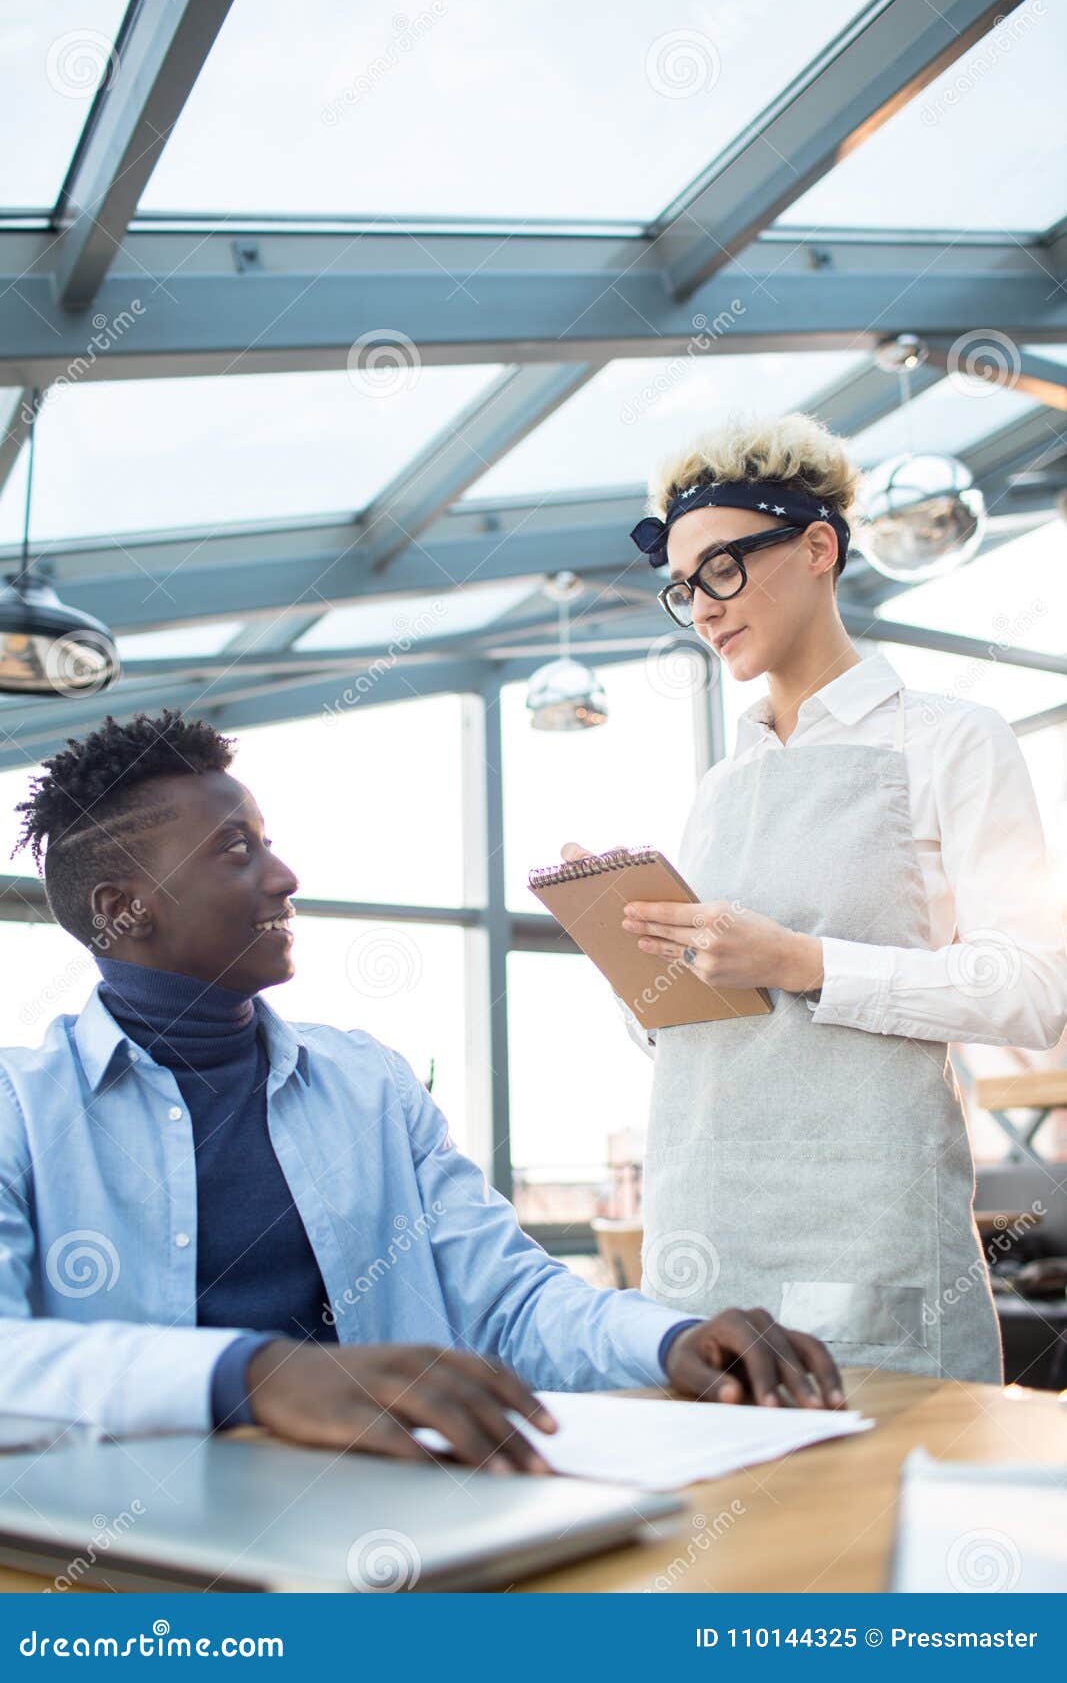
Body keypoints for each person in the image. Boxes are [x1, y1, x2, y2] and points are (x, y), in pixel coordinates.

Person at [0, 711, 845, 1475]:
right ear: (125, 909)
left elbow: (506, 1302)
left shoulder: (366, 1084)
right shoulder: (17, 1107)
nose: (283, 875)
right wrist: (257, 1377)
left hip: (396, 1519)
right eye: (236, 850)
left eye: (266, 841)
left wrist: (670, 1339)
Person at [571, 412, 1067, 1386]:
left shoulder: (951, 740)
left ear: (814, 547)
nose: (702, 608)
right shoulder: (718, 786)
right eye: (681, 588)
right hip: (702, 1241)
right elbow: (704, 1029)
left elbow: (1030, 990)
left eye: (720, 569)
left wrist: (798, 959)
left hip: (869, 1243)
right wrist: (642, 966)